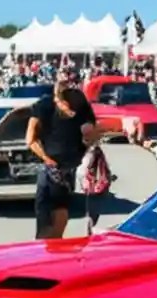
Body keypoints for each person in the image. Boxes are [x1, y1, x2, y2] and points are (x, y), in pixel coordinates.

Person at [26, 81, 104, 239]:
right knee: (50, 216)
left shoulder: (82, 108)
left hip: (71, 168)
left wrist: (90, 141)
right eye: (60, 101)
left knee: (61, 212)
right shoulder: (44, 106)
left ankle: (52, 246)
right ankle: (47, 247)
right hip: (51, 169)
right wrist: (47, 159)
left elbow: (92, 131)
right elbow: (30, 139)